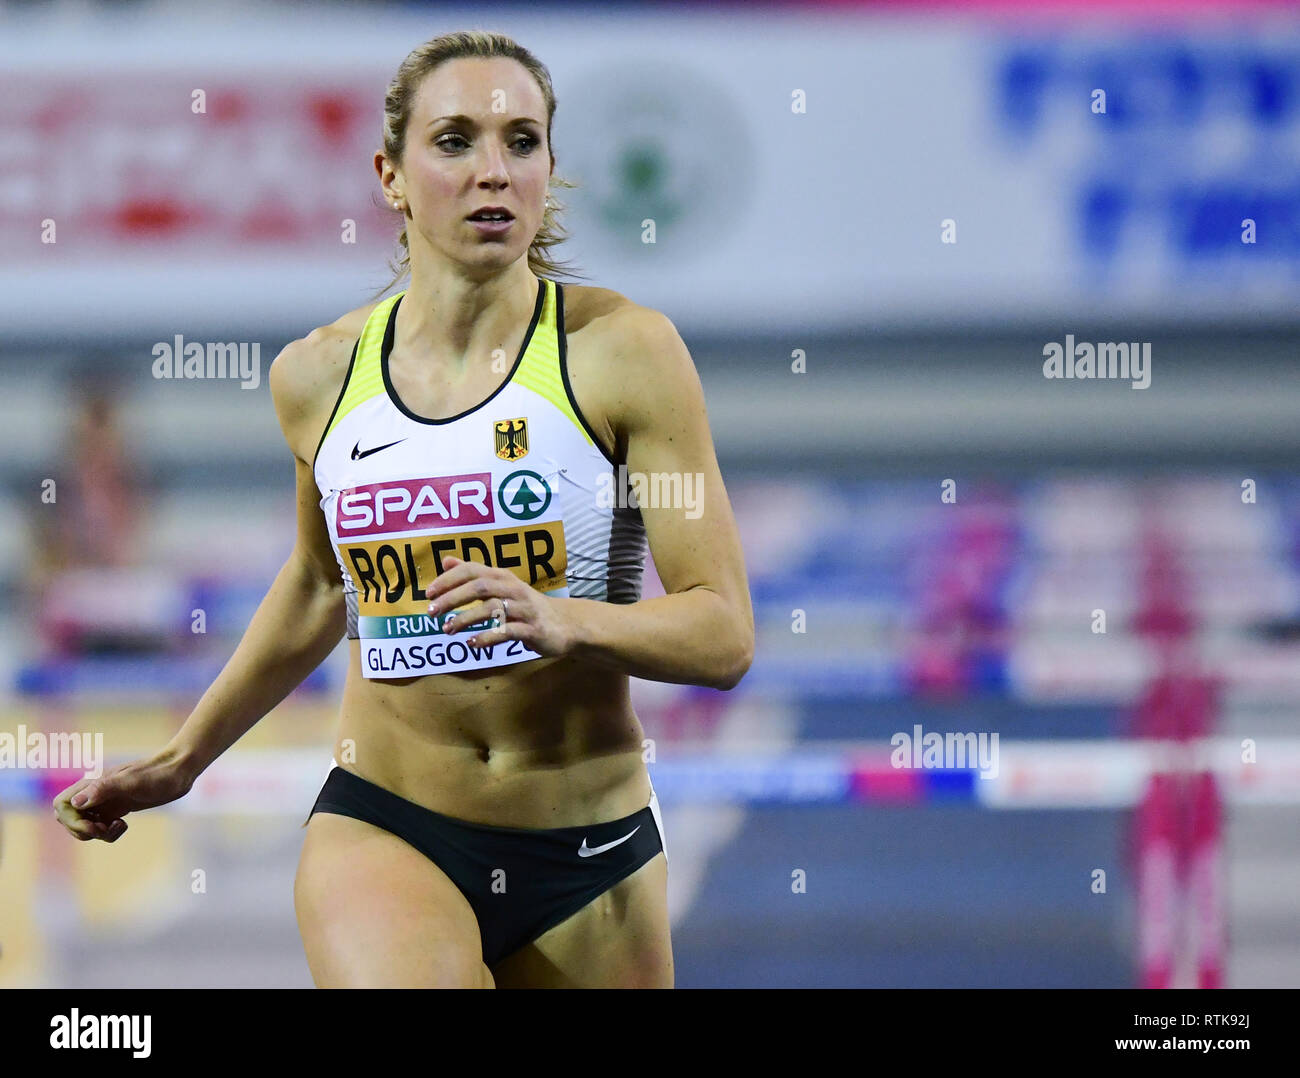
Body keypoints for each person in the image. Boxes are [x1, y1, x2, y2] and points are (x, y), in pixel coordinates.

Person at [52, 30, 753, 989]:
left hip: (589, 849)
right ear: (390, 174)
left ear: (552, 168)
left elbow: (723, 634)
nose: (492, 172)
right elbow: (313, 587)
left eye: (522, 142)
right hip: (388, 824)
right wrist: (182, 760)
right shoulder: (317, 377)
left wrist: (565, 620)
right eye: (455, 141)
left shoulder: (626, 354)